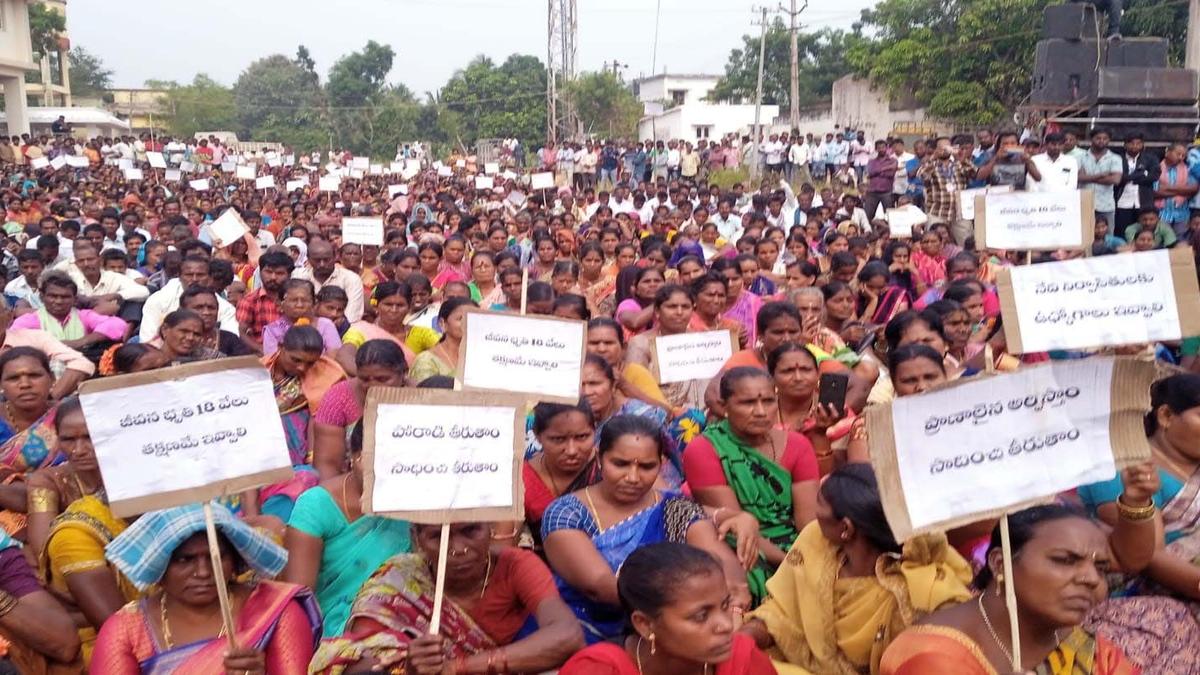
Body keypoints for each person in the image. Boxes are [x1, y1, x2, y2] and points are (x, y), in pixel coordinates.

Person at [743, 463, 974, 674]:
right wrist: (748, 635)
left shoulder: (916, 595)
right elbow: (782, 612)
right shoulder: (815, 541)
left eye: (821, 503)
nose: (815, 510)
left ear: (846, 528)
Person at [543, 414, 754, 643]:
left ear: (660, 464)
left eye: (646, 466)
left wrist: (734, 598)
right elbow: (600, 585)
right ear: (599, 457)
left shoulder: (672, 507)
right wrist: (678, 614)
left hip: (676, 624)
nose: (633, 477)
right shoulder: (566, 513)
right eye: (620, 464)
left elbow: (718, 558)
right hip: (585, 630)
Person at [879, 504, 1141, 674]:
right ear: (1000, 563)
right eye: (1065, 560)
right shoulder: (935, 658)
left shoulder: (1090, 652)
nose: (1091, 579)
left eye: (1102, 568)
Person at [309, 521, 584, 674]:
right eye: (437, 537)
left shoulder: (513, 565)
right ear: (416, 539)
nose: (458, 549)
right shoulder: (398, 579)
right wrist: (409, 670)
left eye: (470, 531)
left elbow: (567, 634)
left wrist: (456, 668)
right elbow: (355, 668)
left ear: (489, 528)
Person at [91, 503, 321, 674]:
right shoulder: (126, 629)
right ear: (159, 570)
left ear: (234, 562)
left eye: (215, 557)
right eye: (184, 560)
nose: (203, 572)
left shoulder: (276, 613)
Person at [685, 366, 820, 604]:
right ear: (724, 407)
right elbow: (737, 527)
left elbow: (808, 523)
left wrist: (809, 560)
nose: (760, 412)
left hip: (797, 546)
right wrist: (792, 565)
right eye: (747, 403)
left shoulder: (798, 445)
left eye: (768, 401)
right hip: (743, 548)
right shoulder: (704, 449)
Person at [561, 542, 779, 675]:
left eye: (725, 606)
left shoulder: (743, 659)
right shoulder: (598, 670)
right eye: (701, 616)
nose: (725, 625)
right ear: (645, 624)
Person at [284, 422, 411, 639]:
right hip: (331, 635)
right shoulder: (317, 505)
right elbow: (298, 601)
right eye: (371, 460)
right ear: (353, 457)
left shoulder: (416, 503)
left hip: (406, 625)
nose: (379, 471)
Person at [38, 397, 136, 665]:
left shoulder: (151, 497)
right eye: (69, 440)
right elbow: (41, 547)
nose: (80, 449)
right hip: (105, 645)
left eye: (91, 438)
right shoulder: (49, 482)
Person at [261, 325, 346, 505]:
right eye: (296, 359)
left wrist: (311, 457)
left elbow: (320, 417)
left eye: (310, 363)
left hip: (301, 446)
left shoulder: (328, 375)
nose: (302, 368)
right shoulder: (259, 371)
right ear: (280, 347)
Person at [313, 340, 408, 479]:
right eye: (364, 379)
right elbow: (327, 465)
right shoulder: (338, 398)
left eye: (383, 379)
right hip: (352, 483)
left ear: (404, 373)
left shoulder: (421, 397)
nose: (372, 386)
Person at [625, 285, 708, 411]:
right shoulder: (641, 343)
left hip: (700, 416)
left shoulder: (701, 341)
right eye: (672, 307)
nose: (679, 312)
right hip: (656, 413)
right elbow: (635, 386)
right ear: (657, 312)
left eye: (685, 307)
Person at [335, 281, 438, 376]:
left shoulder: (422, 333)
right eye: (388, 304)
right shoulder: (361, 330)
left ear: (409, 307)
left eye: (400, 305)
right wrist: (374, 379)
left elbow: (446, 351)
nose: (394, 310)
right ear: (376, 307)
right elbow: (343, 356)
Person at [262, 279, 342, 356]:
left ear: (314, 303)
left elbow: (334, 357)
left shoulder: (325, 325)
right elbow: (272, 361)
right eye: (293, 300)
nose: (299, 305)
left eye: (305, 300)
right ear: (279, 304)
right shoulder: (272, 330)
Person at [409, 297, 476, 383]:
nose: (468, 323)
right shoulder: (427, 360)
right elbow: (426, 394)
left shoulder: (484, 356)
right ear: (442, 324)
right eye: (461, 319)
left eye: (473, 318)